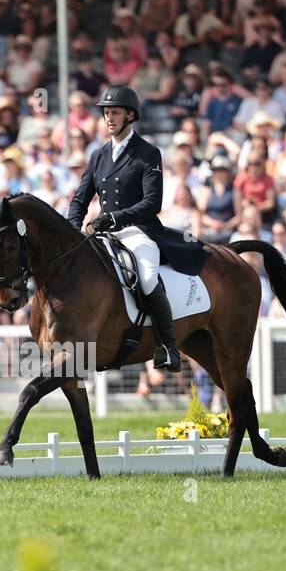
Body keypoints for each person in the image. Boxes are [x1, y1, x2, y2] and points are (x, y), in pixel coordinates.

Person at [66, 84, 204, 372]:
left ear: (130, 115)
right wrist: (70, 229)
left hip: (139, 232)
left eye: (114, 113)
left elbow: (152, 202)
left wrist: (115, 218)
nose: (108, 118)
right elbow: (80, 199)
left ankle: (168, 346)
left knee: (148, 277)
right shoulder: (98, 155)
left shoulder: (148, 153)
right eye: (106, 113)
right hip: (105, 234)